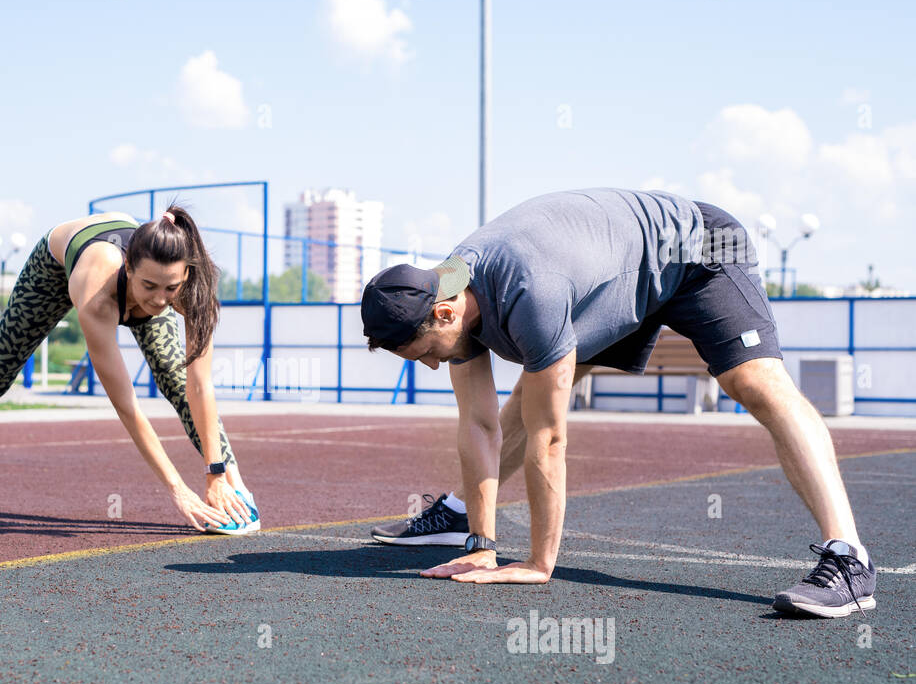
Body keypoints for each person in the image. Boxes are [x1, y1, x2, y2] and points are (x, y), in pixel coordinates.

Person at [361, 188, 874, 618]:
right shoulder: (448, 284)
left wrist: (539, 564)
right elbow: (478, 424)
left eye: (425, 352)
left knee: (756, 384)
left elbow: (552, 437)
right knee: (523, 402)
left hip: (697, 251)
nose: (429, 365)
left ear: (446, 314)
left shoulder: (529, 293)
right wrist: (483, 544)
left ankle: (849, 559)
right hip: (614, 280)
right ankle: (460, 517)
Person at [0, 206, 259, 535]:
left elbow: (200, 387)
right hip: (53, 269)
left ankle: (237, 491)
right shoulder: (98, 295)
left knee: (175, 379)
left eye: (170, 289)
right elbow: (127, 406)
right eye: (149, 287)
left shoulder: (192, 289)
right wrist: (178, 489)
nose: (159, 301)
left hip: (140, 269)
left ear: (186, 276)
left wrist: (217, 473)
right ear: (130, 269)